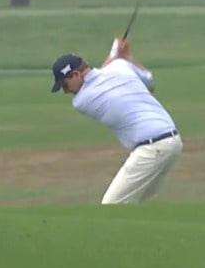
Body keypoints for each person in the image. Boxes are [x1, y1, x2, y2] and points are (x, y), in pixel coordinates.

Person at [50, 37, 183, 205]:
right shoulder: (120, 67)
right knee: (141, 205)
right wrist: (126, 57)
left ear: (76, 74)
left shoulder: (82, 100)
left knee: (110, 206)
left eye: (65, 85)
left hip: (153, 148)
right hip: (173, 142)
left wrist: (115, 54)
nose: (65, 91)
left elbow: (102, 74)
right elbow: (149, 82)